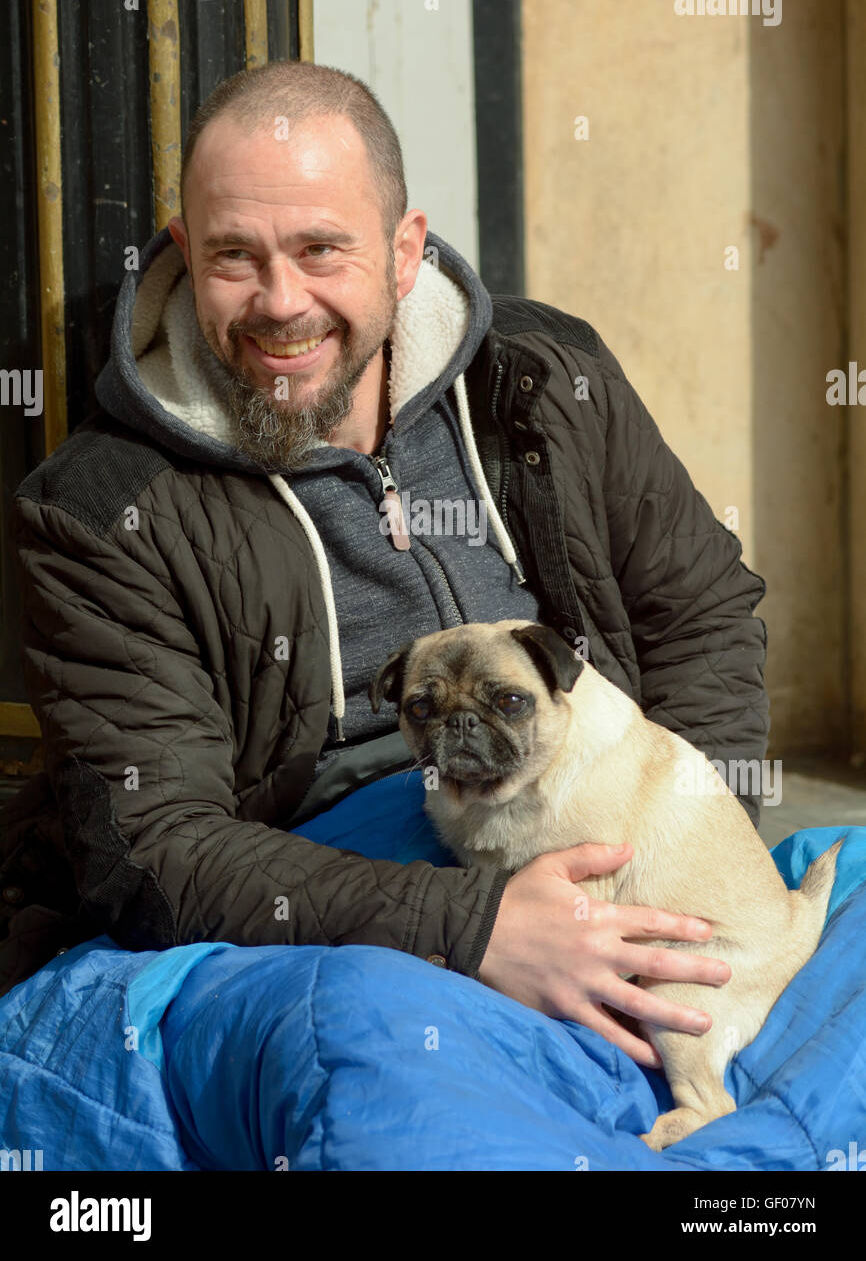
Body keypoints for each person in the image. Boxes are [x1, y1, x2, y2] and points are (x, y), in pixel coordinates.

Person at [2, 60, 769, 1077]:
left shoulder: (547, 378)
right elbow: (154, 843)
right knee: (399, 1072)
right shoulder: (101, 509)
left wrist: (675, 871)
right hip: (322, 891)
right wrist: (475, 925)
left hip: (593, 824)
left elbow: (700, 611)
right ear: (184, 253)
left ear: (405, 250)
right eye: (235, 256)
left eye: (322, 248)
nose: (281, 303)